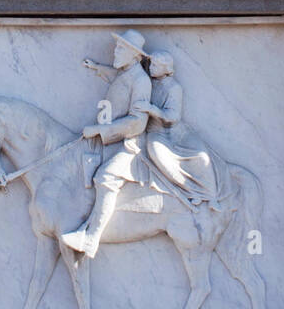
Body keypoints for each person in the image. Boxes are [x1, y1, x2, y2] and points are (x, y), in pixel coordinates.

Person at [61, 30, 153, 258]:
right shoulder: (127, 74)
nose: (115, 51)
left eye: (121, 48)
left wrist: (100, 130)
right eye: (117, 47)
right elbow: (116, 79)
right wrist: (96, 68)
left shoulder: (141, 81)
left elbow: (137, 122)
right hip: (113, 139)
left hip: (130, 144)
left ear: (134, 56)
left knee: (106, 178)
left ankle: (91, 240)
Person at [139, 52, 222, 207]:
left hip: (177, 132)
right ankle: (191, 190)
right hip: (156, 132)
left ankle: (210, 195)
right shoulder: (147, 80)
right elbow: (127, 75)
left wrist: (151, 109)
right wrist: (99, 68)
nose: (151, 67)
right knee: (160, 156)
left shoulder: (174, 88)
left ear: (166, 69)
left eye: (156, 65)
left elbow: (173, 116)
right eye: (151, 64)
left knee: (201, 156)